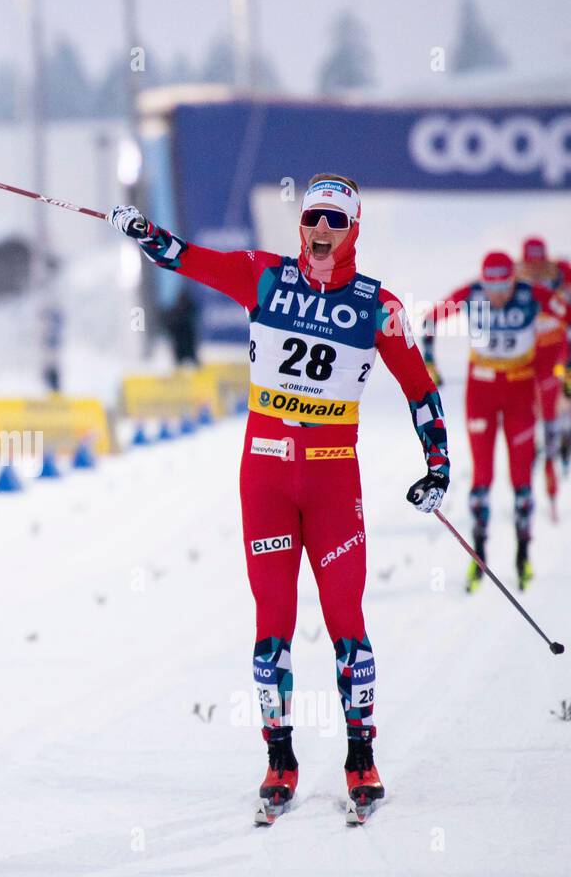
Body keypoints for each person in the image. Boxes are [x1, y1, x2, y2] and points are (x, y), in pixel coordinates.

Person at [110, 175, 449, 821]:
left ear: (353, 232)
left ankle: (361, 756)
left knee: (348, 623)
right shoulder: (264, 278)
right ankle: (279, 758)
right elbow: (184, 257)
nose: (322, 233)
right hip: (265, 479)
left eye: (336, 223)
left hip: (331, 481)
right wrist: (143, 232)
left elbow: (420, 388)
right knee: (273, 630)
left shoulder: (380, 307)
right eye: (314, 220)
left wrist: (438, 466)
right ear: (302, 227)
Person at [421, 252, 571, 590]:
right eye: (492, 286)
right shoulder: (472, 293)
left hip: (521, 387)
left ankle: (523, 557)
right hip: (481, 390)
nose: (498, 295)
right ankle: (479, 557)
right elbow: (430, 320)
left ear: (513, 280)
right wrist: (430, 364)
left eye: (504, 286)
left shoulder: (530, 294)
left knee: (521, 477)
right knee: (482, 476)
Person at [516, 236, 571, 470]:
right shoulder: (513, 275)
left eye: (540, 265)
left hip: (561, 346)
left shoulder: (561, 272)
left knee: (566, 387)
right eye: (529, 266)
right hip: (531, 348)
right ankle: (532, 443)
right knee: (530, 395)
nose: (535, 271)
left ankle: (569, 433)